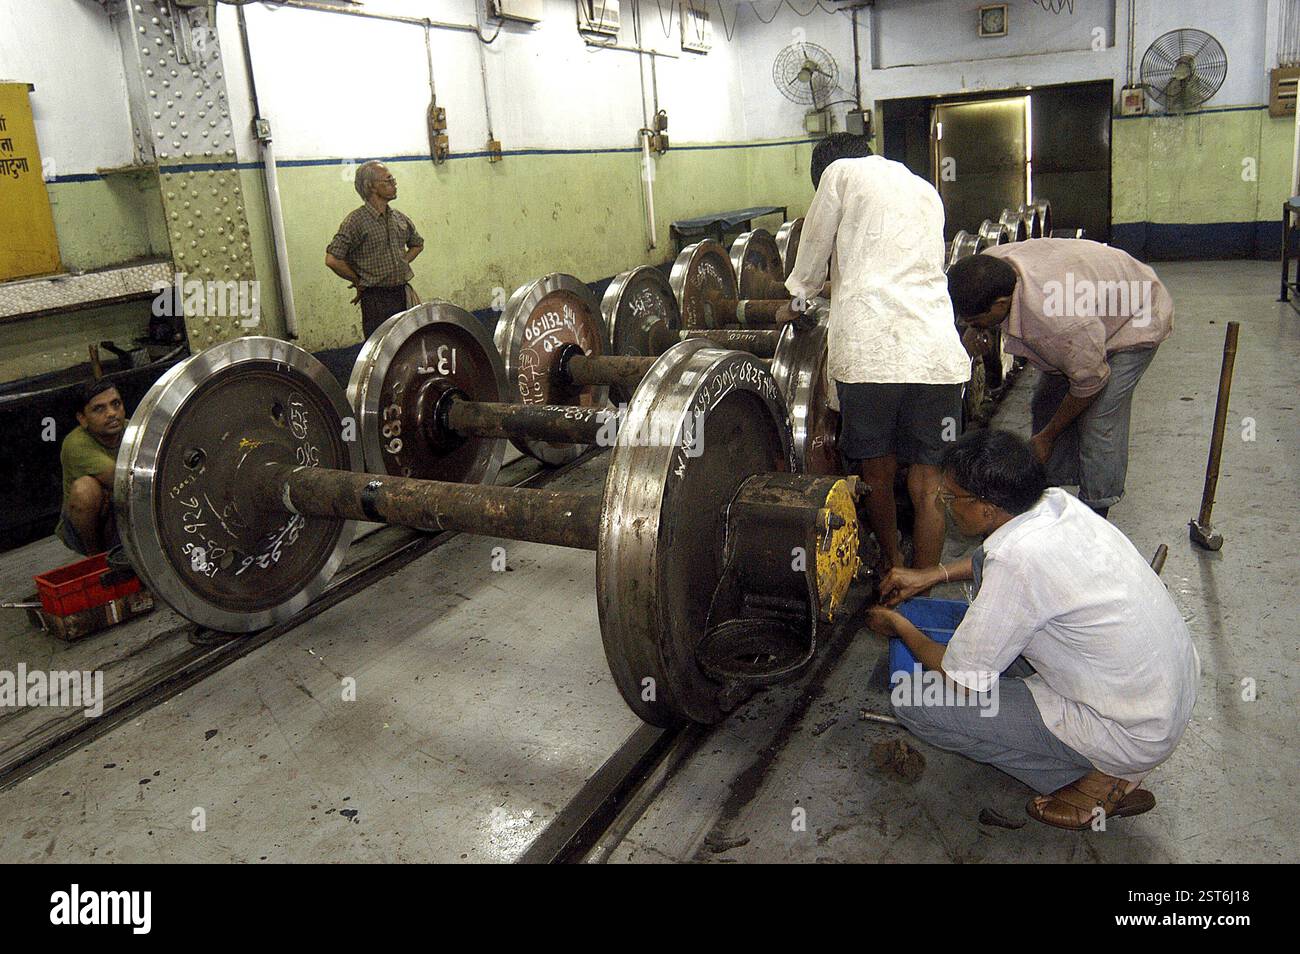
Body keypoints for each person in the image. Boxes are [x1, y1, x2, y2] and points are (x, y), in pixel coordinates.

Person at [869, 428, 1199, 830]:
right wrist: (931, 575)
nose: (945, 504)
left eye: (951, 498)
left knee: (912, 701)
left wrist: (899, 625)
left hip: (1127, 729)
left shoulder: (1016, 563)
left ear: (987, 509)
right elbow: (990, 561)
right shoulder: (1055, 503)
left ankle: (1092, 784)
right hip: (1162, 692)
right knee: (983, 592)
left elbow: (965, 678)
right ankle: (1092, 763)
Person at [781, 133, 970, 574]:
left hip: (871, 354)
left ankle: (890, 566)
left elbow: (812, 254)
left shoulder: (838, 173)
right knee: (930, 489)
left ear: (822, 170)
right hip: (937, 355)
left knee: (878, 478)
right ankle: (921, 582)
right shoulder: (925, 188)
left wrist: (796, 298)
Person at [945, 239, 1173, 518]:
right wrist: (977, 328)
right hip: (1093, 299)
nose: (972, 325)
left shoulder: (1055, 323)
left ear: (1002, 303)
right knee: (1046, 403)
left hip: (1136, 315)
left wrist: (1048, 437)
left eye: (977, 319)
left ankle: (1096, 508)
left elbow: (1091, 380)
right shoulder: (989, 267)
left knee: (1098, 420)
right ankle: (1049, 491)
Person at [326, 160, 425, 339]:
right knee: (381, 350)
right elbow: (332, 259)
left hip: (402, 293)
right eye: (388, 181)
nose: (394, 184)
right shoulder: (355, 221)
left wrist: (401, 261)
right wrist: (358, 280)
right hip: (376, 299)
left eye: (393, 180)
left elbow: (417, 244)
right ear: (371, 186)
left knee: (408, 344)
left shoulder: (399, 218)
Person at [56, 380, 125, 555]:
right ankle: (96, 558)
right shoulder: (76, 444)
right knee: (85, 489)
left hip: (126, 512)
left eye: (116, 404)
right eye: (99, 409)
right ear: (83, 419)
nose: (112, 413)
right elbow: (122, 482)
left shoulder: (136, 431)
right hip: (93, 526)